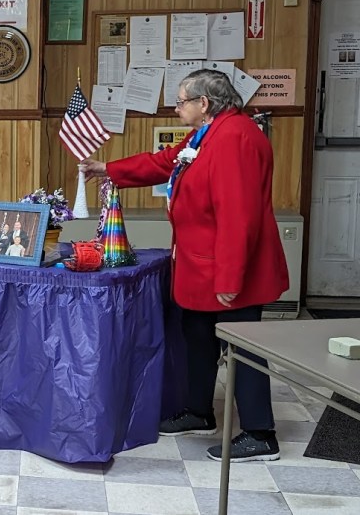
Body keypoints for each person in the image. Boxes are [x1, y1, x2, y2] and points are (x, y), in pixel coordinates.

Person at [83, 69, 288, 463]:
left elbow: (237, 215)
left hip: (229, 269)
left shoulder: (235, 138)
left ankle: (261, 434)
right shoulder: (207, 134)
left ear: (203, 104)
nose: (177, 109)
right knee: (198, 337)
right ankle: (198, 411)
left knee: (243, 349)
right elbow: (164, 163)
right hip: (201, 265)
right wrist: (108, 170)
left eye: (180, 102)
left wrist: (230, 277)